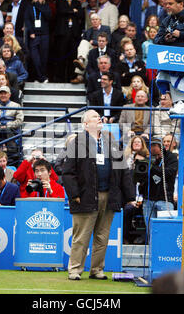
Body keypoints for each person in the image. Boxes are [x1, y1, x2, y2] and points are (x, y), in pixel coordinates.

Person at [62, 109, 135, 280]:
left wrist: (130, 196)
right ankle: (75, 270)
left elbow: (122, 168)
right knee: (82, 236)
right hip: (85, 196)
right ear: (86, 124)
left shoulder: (110, 140)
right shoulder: (78, 142)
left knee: (102, 236)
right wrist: (74, 195)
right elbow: (68, 172)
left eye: (99, 116)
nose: (99, 118)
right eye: (95, 116)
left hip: (108, 196)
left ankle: (97, 269)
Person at [140, 137, 178, 234]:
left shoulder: (171, 157)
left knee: (165, 231)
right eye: (150, 146)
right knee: (150, 231)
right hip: (148, 199)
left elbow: (169, 173)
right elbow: (140, 177)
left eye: (155, 146)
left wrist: (152, 166)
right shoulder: (147, 158)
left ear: (160, 147)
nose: (152, 148)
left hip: (164, 199)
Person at [71, 13, 111, 84]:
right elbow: (83, 44)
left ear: (100, 21)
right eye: (92, 20)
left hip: (102, 49)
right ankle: (80, 60)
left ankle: (80, 76)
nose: (94, 21)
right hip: (90, 49)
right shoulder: (88, 31)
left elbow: (109, 41)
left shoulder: (106, 28)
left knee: (89, 53)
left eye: (96, 19)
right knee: (84, 45)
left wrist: (95, 42)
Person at [54, 0, 83, 83]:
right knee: (61, 57)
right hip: (62, 34)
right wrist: (73, 11)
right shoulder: (59, 1)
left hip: (74, 34)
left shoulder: (77, 2)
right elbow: (61, 11)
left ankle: (71, 77)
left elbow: (80, 14)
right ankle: (60, 78)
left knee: (73, 57)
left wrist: (71, 11)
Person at [25, 0, 51, 83]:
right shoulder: (29, 7)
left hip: (44, 35)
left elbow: (49, 17)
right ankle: (39, 76)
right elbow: (27, 20)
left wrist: (39, 6)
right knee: (35, 57)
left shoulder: (46, 6)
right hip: (34, 36)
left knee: (44, 57)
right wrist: (31, 32)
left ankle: (42, 76)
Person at [0, 85, 24, 152]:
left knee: (7, 129)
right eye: (1, 93)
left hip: (12, 129)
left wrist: (7, 125)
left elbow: (20, 120)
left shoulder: (16, 106)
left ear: (9, 95)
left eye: (5, 93)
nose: (3, 95)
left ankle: (12, 151)